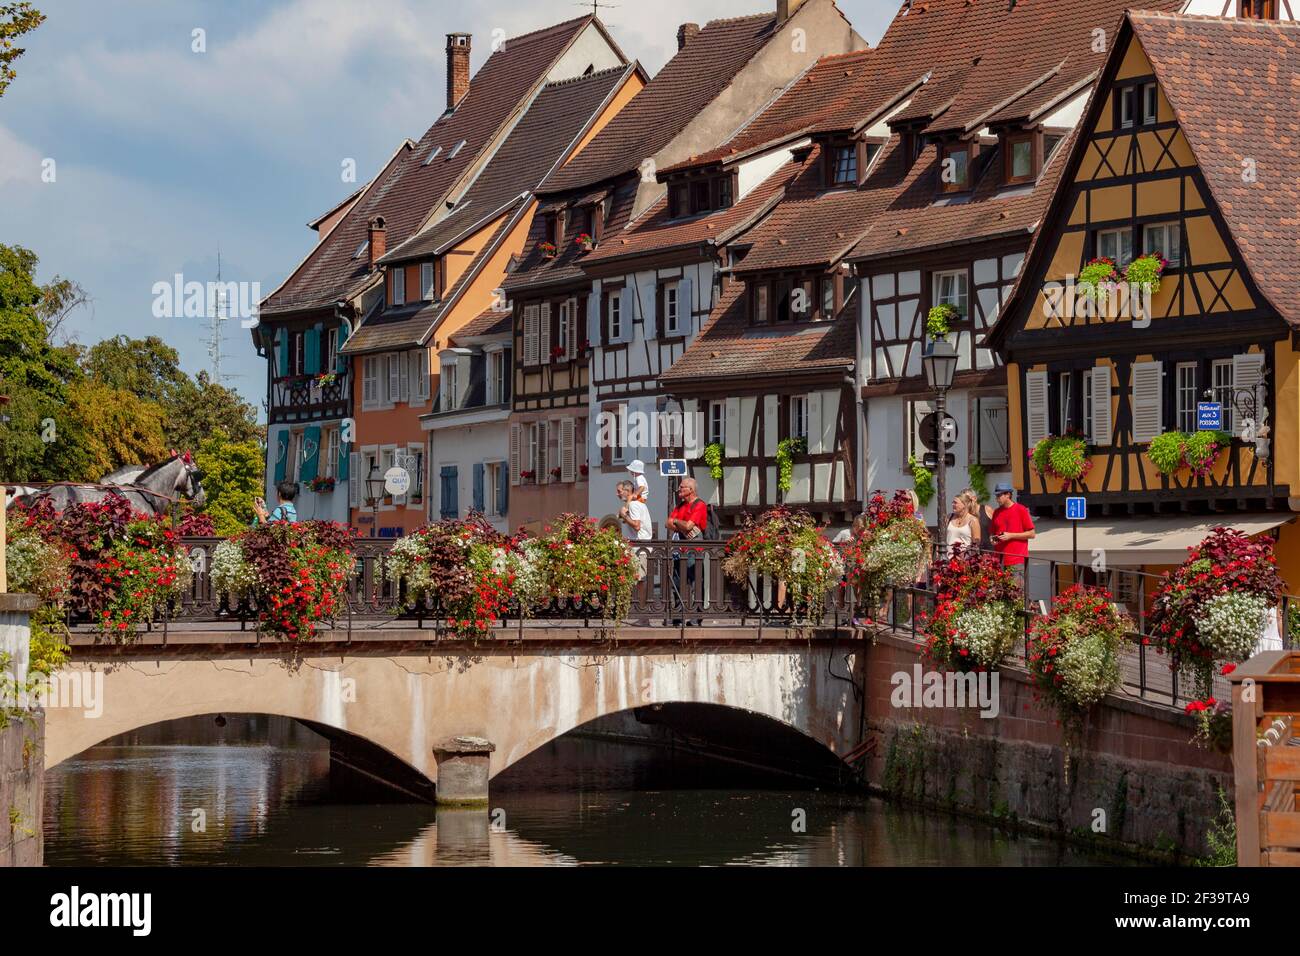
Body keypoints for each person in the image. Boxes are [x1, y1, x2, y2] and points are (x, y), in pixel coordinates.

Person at [665, 477, 707, 624]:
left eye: (682, 487)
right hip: (680, 549)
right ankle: (678, 616)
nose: (679, 490)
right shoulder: (681, 505)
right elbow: (667, 523)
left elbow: (689, 526)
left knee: (696, 583)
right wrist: (678, 523)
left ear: (691, 490)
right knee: (678, 582)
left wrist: (676, 521)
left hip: (694, 550)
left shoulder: (699, 505)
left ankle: (696, 617)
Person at [989, 482, 1035, 567]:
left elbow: (1032, 534)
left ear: (1008, 495)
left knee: (1017, 581)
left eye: (999, 495)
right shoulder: (996, 512)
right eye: (996, 496)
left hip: (1016, 561)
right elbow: (992, 533)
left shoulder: (1021, 509)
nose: (997, 498)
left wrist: (1011, 535)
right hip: (999, 561)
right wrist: (992, 539)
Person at [617, 479, 653, 580]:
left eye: (620, 491)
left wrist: (624, 515)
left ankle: (641, 597)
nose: (617, 494)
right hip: (637, 549)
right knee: (635, 581)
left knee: (639, 580)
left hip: (639, 550)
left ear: (627, 491)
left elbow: (637, 526)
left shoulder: (634, 505)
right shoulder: (634, 504)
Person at [961, 487, 996, 552]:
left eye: (967, 499)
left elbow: (998, 525)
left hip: (989, 552)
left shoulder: (986, 509)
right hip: (972, 553)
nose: (965, 503)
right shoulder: (964, 515)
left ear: (975, 498)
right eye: (963, 500)